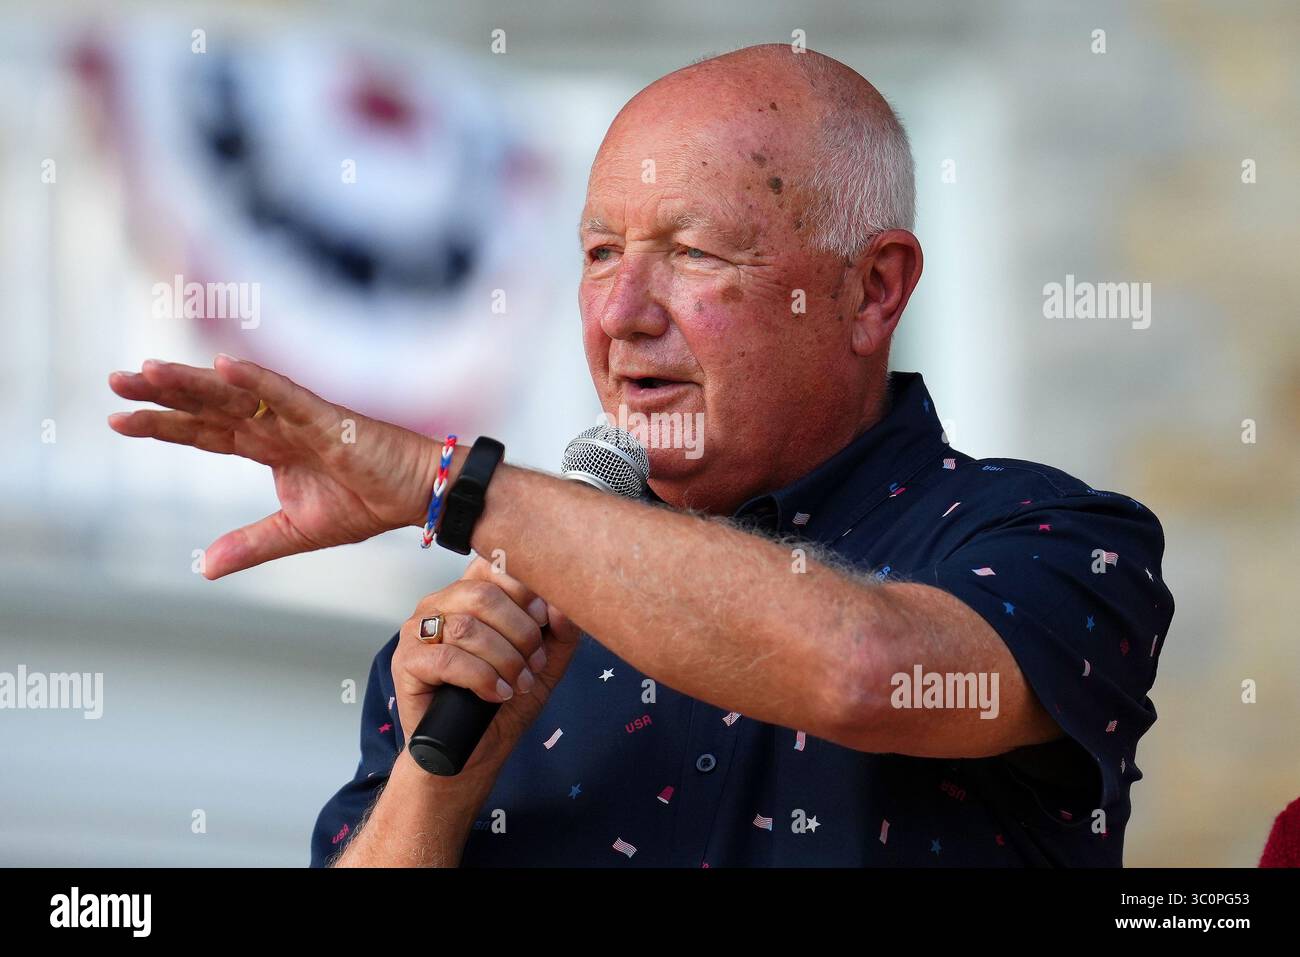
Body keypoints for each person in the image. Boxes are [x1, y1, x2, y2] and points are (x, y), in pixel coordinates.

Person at [108, 44, 1174, 866]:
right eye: (598, 252)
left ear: (873, 288)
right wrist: (439, 786)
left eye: (692, 253)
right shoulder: (484, 625)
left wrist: (449, 486)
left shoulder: (1054, 541)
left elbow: (867, 671)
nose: (619, 312)